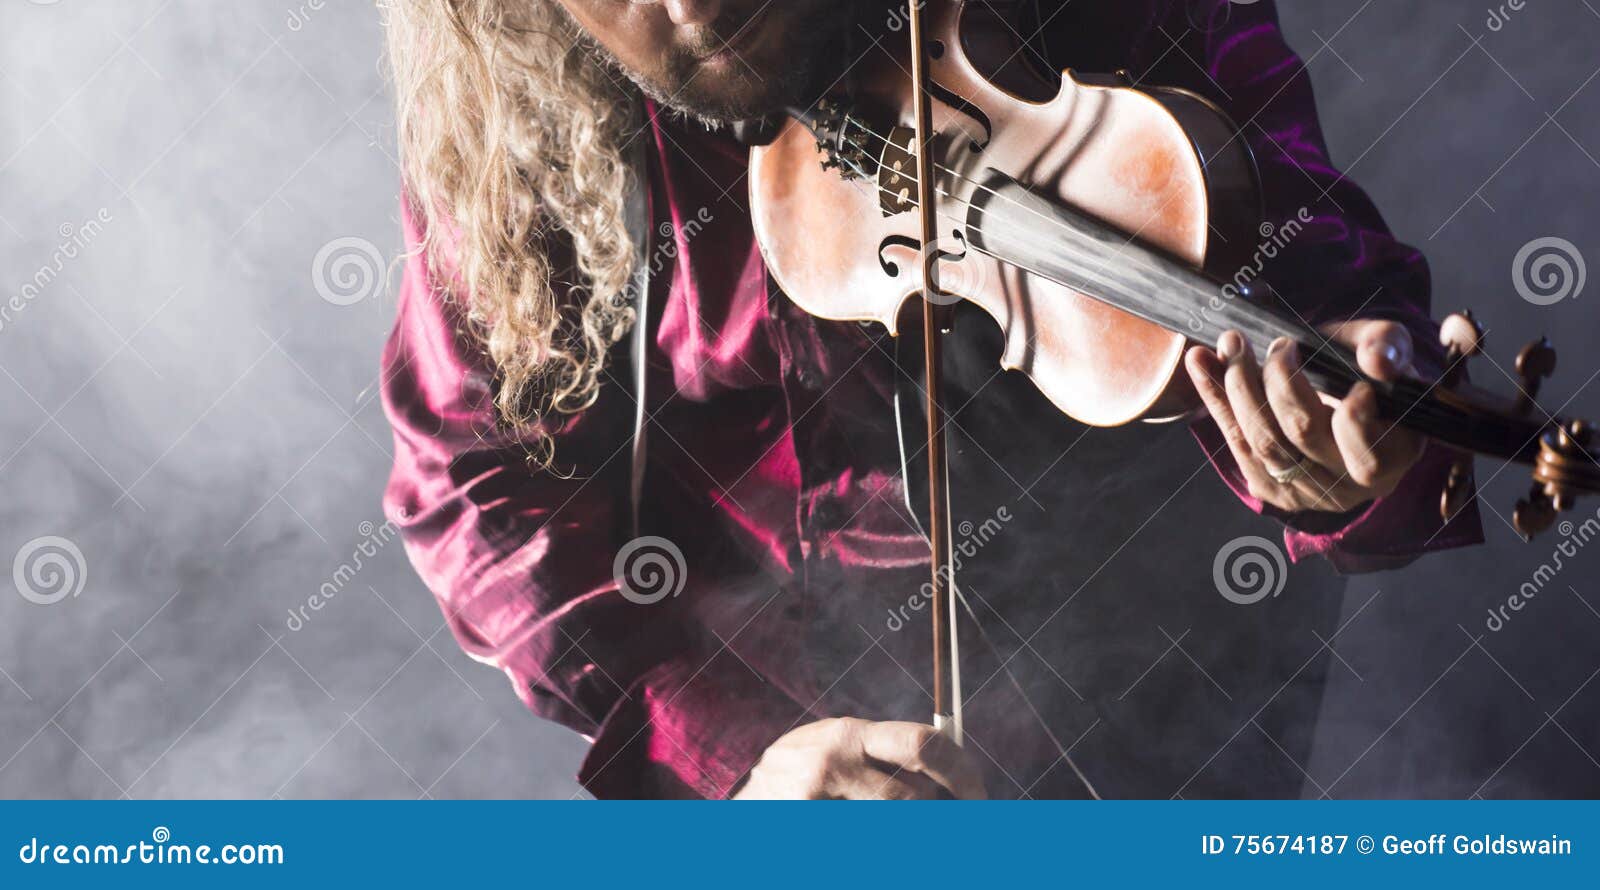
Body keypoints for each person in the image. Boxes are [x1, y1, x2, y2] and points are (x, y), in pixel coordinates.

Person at [379, 0, 1482, 799]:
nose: (689, 5)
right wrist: (733, 754)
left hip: (1145, 750)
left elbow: (1318, 285)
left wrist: (1350, 462)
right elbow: (466, 478)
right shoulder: (533, 122)